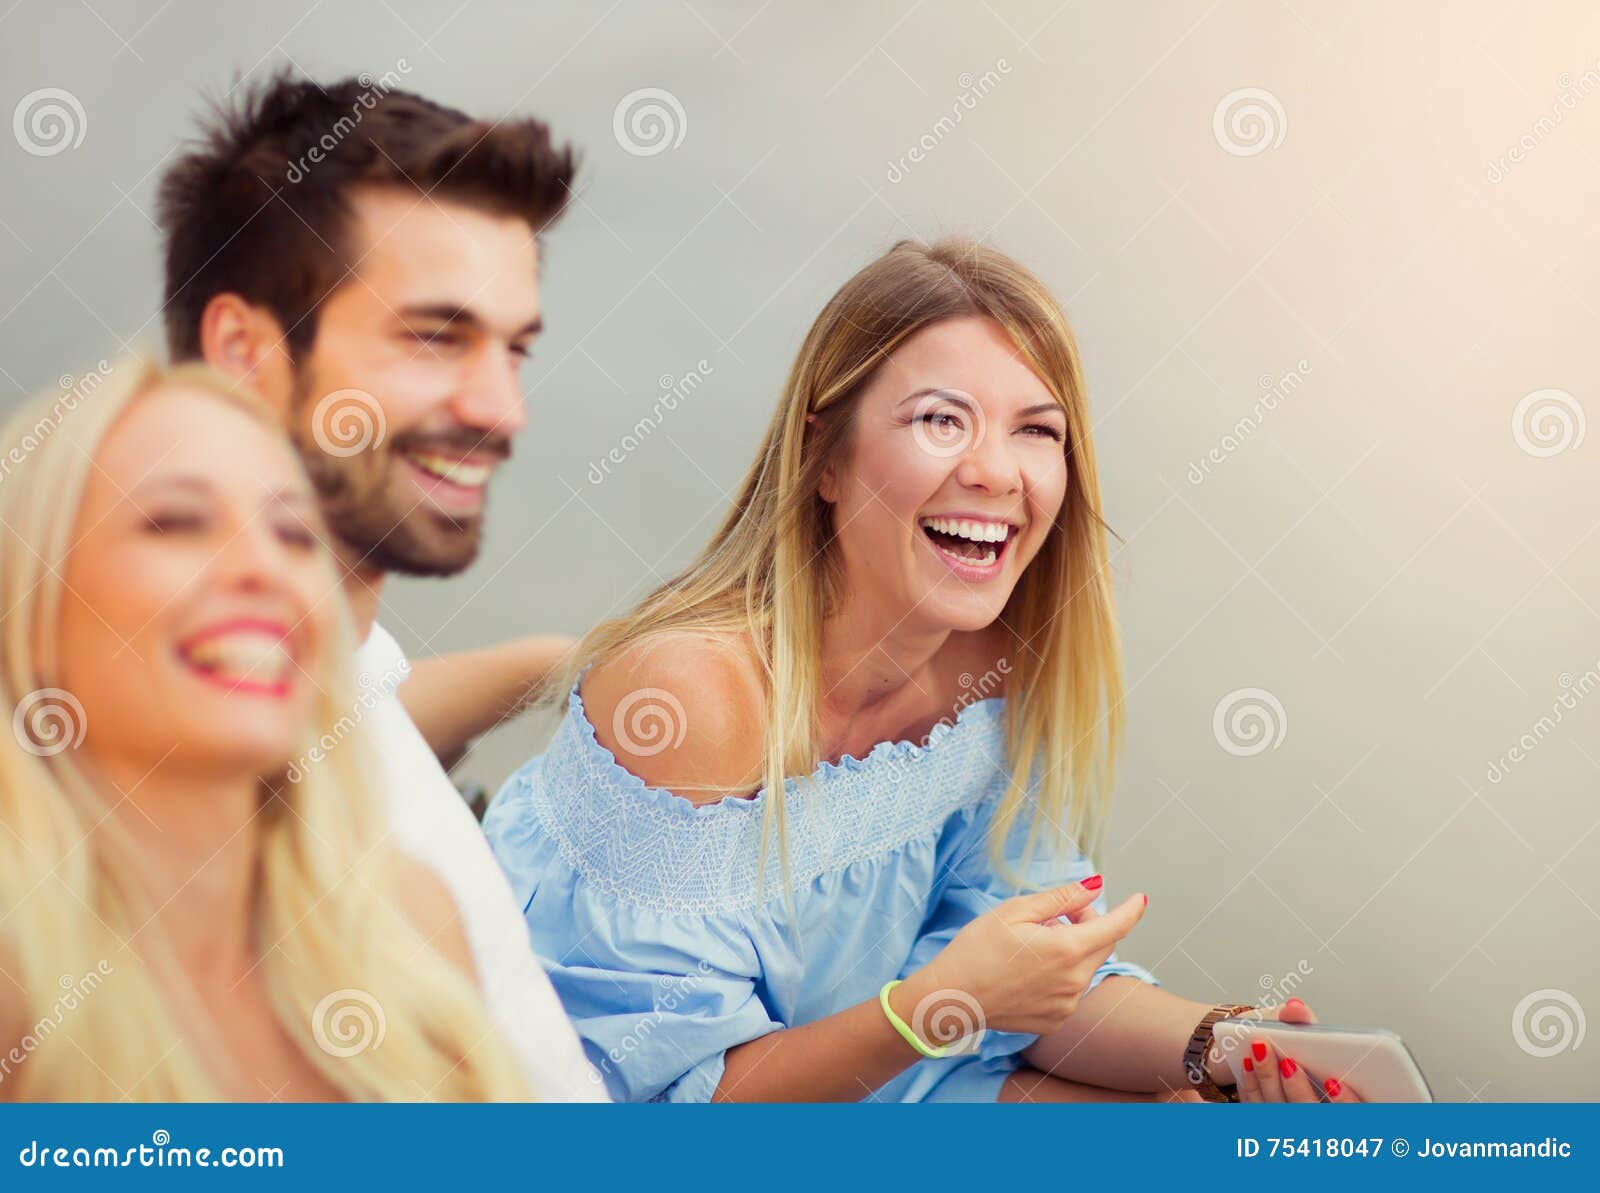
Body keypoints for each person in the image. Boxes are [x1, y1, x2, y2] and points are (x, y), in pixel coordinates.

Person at [486, 238, 1363, 1104]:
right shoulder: (693, 701)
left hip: (875, 1075)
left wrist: (1225, 1049)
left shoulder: (987, 670)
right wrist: (944, 1003)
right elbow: (676, 1106)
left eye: (1036, 429)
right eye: (942, 420)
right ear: (825, 458)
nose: (995, 471)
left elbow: (1027, 997)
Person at [154, 71, 602, 1098]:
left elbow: (359, 716)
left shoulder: (308, 671)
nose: (502, 409)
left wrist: (567, 663)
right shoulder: (195, 822)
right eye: (436, 336)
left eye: (515, 349)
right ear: (244, 352)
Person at [0, 359, 528, 1100]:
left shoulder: (405, 923)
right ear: (32, 603)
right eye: (177, 521)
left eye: (295, 533)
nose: (262, 568)